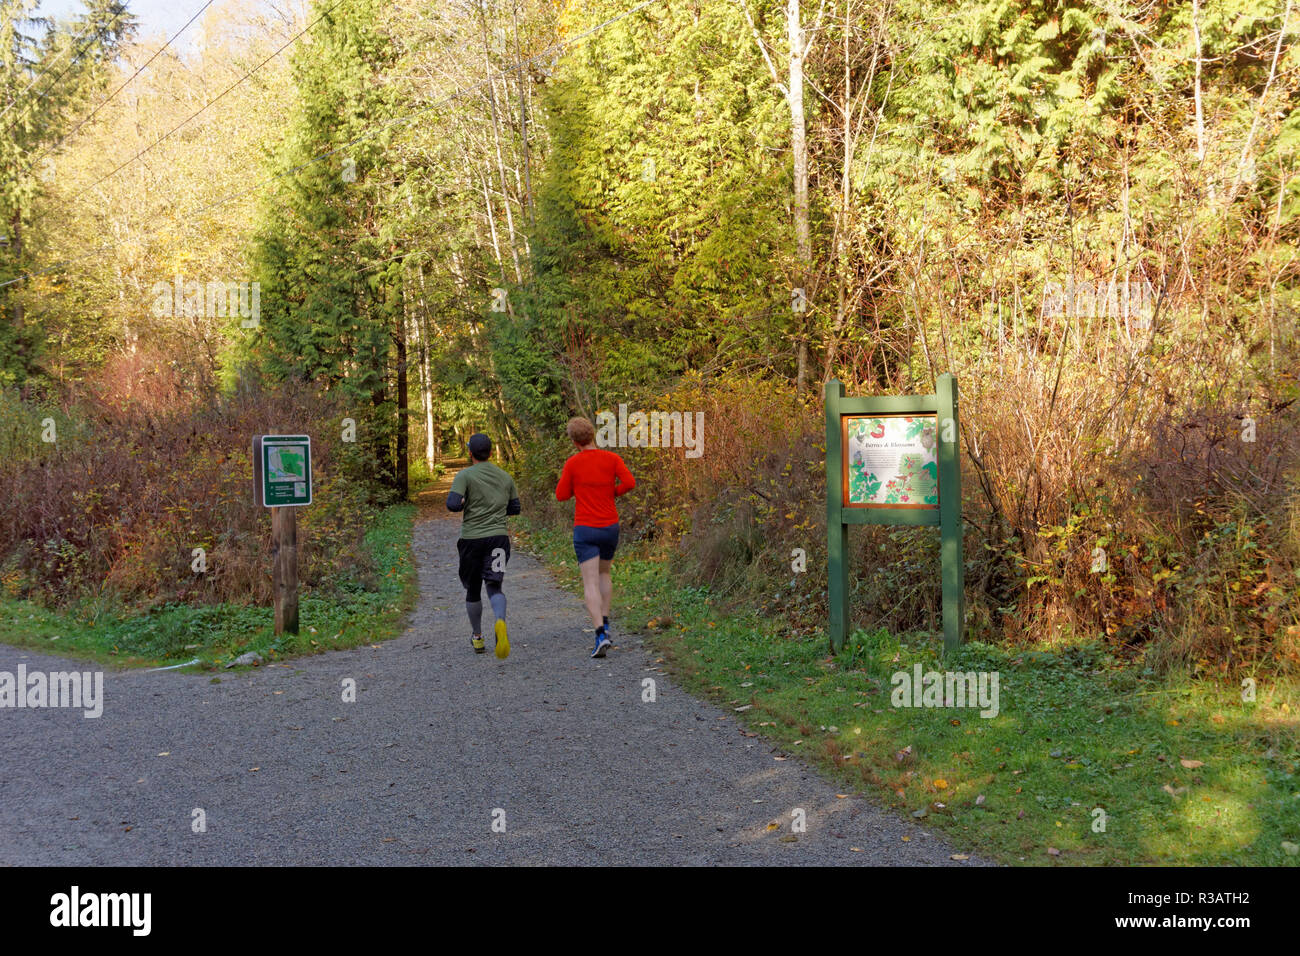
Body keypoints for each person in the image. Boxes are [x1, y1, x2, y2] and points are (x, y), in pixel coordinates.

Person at [554, 416, 635, 658]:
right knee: (604, 573)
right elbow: (630, 482)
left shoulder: (573, 463)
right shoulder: (611, 459)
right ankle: (607, 624)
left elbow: (561, 495)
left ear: (574, 442)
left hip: (585, 528)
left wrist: (579, 490)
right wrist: (612, 493)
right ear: (592, 434)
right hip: (610, 526)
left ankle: (599, 633)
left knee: (589, 581)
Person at [446, 433, 520, 659]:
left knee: (473, 589)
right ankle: (499, 621)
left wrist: (465, 503)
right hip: (498, 538)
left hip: (471, 540)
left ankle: (477, 638)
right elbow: (515, 508)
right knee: (494, 586)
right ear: (490, 452)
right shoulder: (505, 477)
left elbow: (451, 505)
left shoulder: (464, 476)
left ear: (470, 453)